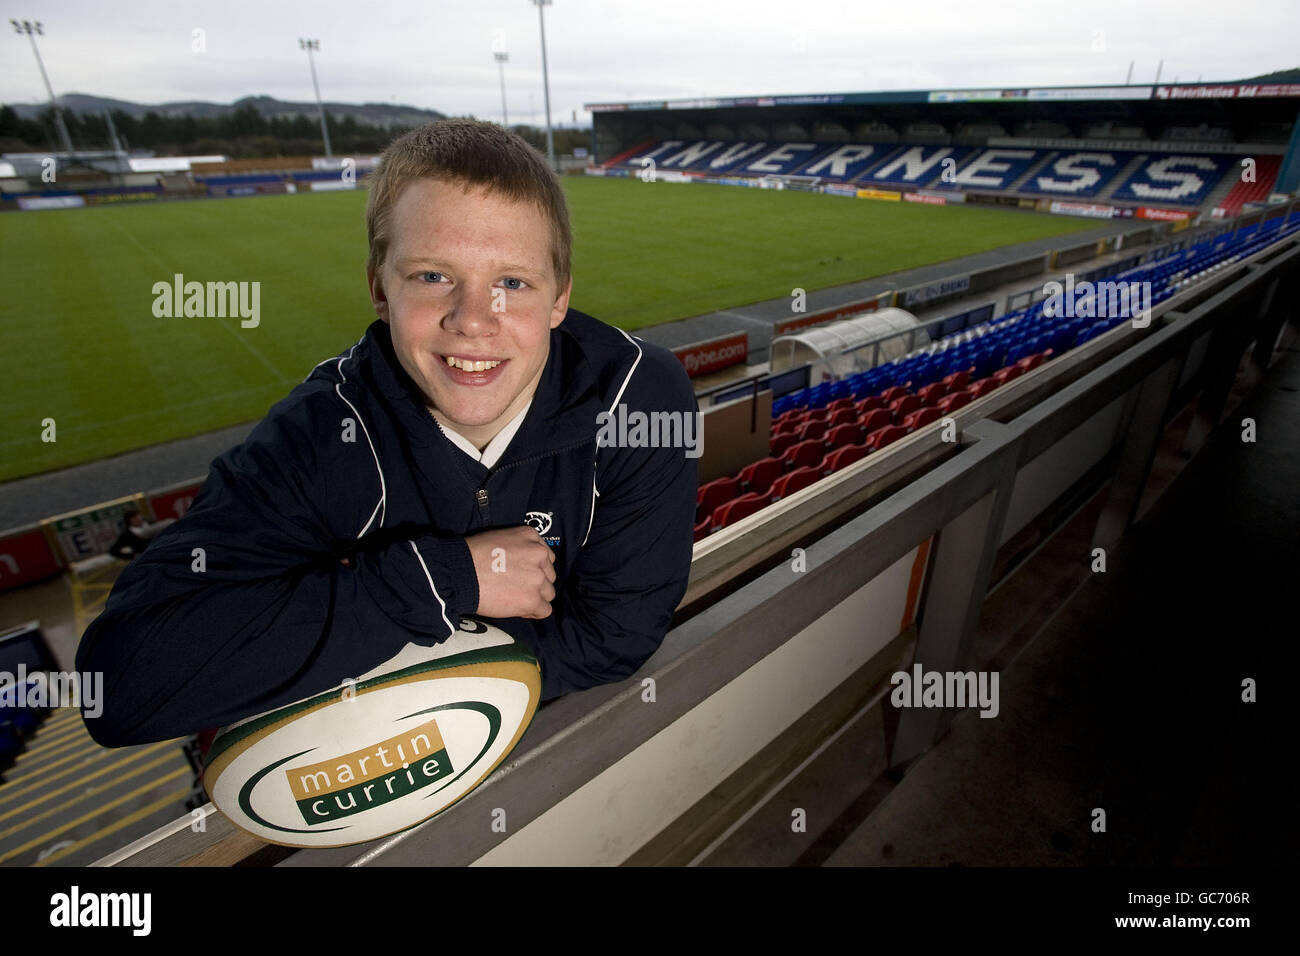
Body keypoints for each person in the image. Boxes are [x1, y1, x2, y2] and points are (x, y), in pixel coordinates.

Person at [76, 119, 699, 748]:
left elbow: (616, 639)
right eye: (434, 277)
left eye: (512, 282)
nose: (474, 321)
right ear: (380, 287)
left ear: (559, 298)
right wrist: (444, 579)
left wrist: (389, 683)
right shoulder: (318, 435)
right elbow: (119, 686)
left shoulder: (637, 396)